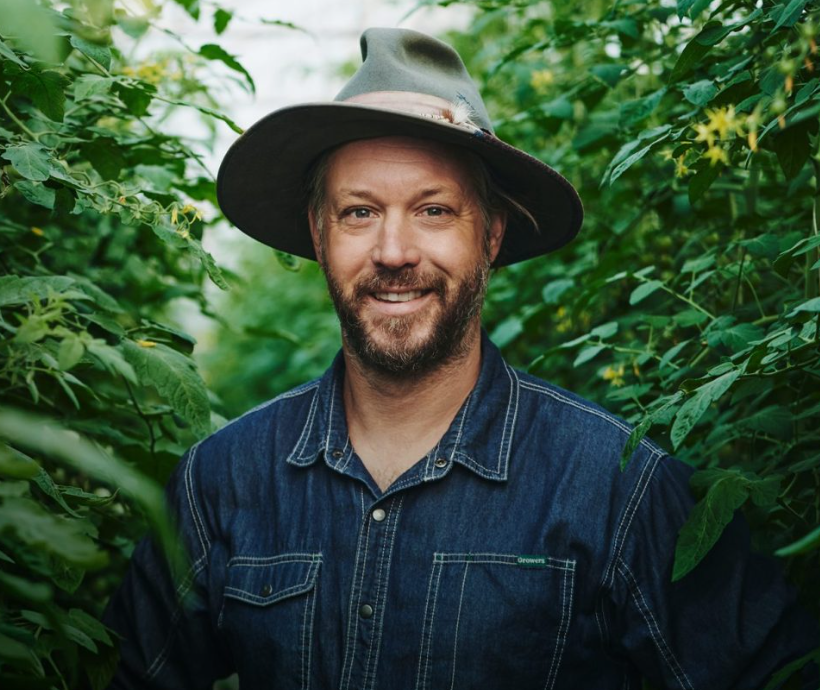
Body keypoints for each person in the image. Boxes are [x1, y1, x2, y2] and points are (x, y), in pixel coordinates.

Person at [104, 27, 817, 690]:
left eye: (434, 210)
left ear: (492, 236)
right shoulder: (223, 480)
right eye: (358, 212)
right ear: (320, 237)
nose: (392, 252)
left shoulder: (616, 488)